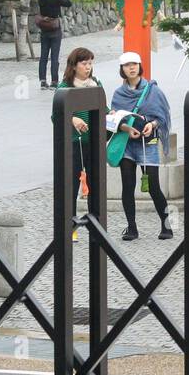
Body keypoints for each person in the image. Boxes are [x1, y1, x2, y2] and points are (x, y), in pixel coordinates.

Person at [111, 52, 173, 242]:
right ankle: (131, 227)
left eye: (135, 64)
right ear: (122, 69)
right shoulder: (118, 94)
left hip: (148, 143)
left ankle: (166, 224)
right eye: (127, 65)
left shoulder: (153, 90)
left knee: (153, 185)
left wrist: (151, 125)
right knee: (128, 185)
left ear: (140, 66)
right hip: (127, 144)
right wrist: (126, 128)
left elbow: (162, 116)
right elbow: (114, 118)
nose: (131, 68)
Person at [54, 47, 102, 243]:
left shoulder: (96, 84)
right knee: (72, 185)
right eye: (84, 63)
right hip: (73, 142)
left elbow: (103, 108)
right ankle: (71, 225)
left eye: (90, 63)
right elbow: (56, 115)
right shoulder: (64, 87)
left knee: (95, 183)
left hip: (93, 141)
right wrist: (72, 120)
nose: (88, 67)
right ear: (74, 65)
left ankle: (95, 223)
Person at [37, 0, 72, 90]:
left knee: (43, 56)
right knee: (54, 57)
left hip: (44, 29)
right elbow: (68, 3)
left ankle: (42, 81)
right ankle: (54, 82)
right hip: (55, 30)